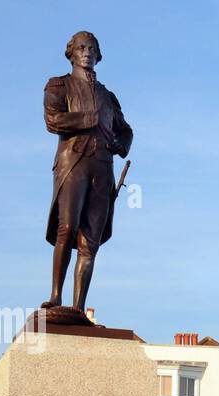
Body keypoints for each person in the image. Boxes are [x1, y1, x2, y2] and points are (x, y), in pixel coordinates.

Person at [42, 31, 134, 314]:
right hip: (74, 162)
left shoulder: (108, 96)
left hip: (103, 167)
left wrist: (122, 144)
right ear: (71, 53)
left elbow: (126, 130)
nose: (87, 52)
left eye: (93, 48)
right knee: (66, 228)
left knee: (89, 241)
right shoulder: (59, 85)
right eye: (82, 47)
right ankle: (56, 297)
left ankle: (78, 308)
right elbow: (53, 119)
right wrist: (88, 119)